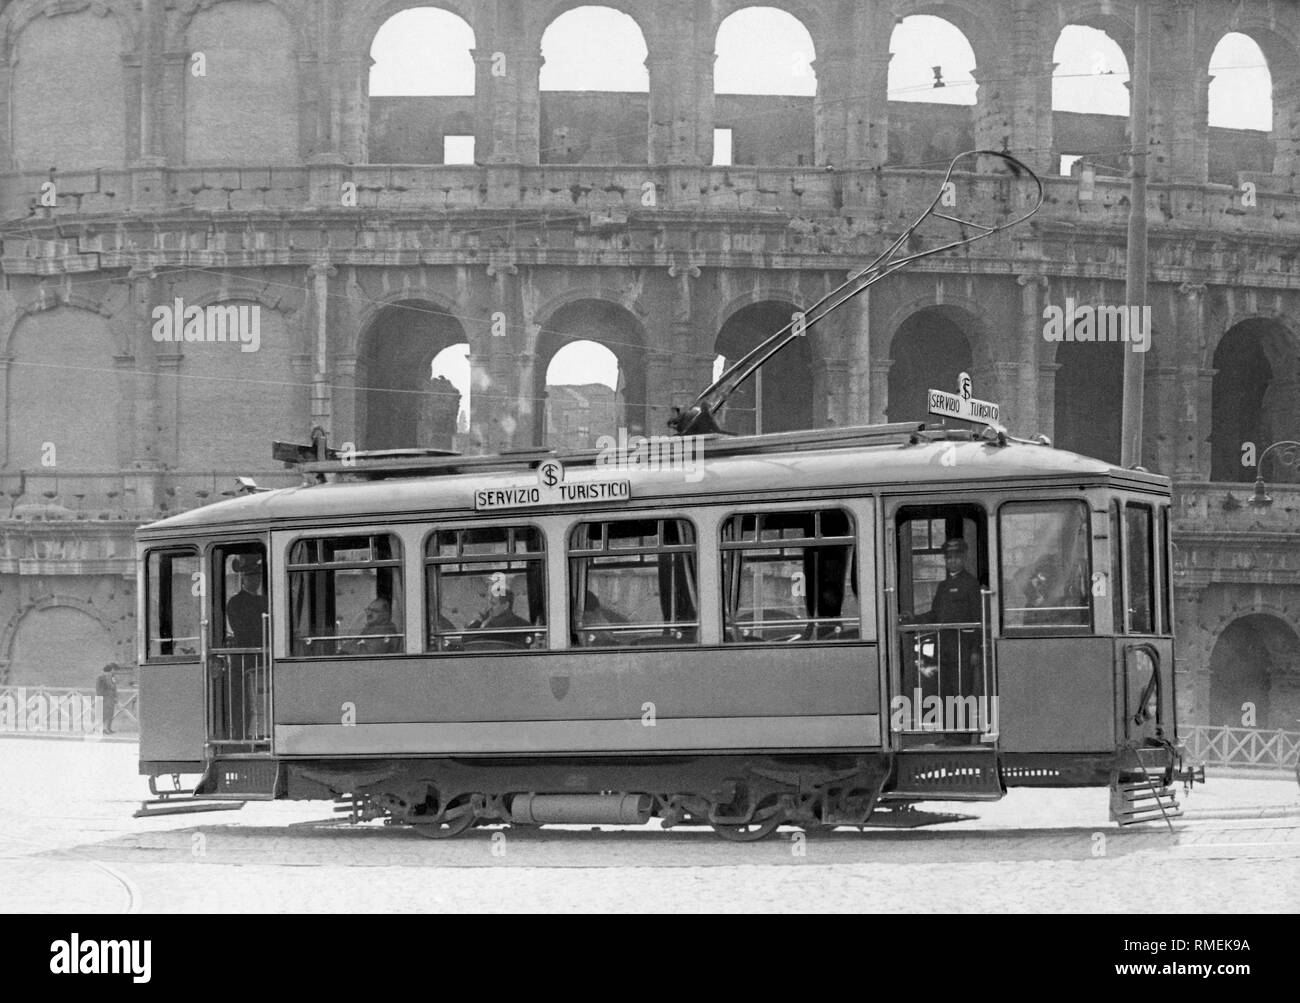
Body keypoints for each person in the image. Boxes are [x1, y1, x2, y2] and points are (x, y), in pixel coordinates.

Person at [903, 538, 984, 702]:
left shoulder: (971, 584)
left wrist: (976, 649)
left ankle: (964, 726)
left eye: (957, 557)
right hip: (944, 648)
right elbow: (935, 614)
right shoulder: (943, 586)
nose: (953, 561)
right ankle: (951, 725)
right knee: (946, 691)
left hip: (963, 648)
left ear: (964, 558)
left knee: (962, 691)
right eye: (949, 558)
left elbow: (978, 617)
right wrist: (914, 619)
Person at [220, 553, 266, 741]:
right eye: (249, 576)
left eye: (256, 576)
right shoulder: (235, 603)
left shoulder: (265, 601)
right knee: (245, 701)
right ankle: (243, 735)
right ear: (243, 579)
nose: (254, 580)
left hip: (261, 658)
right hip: (245, 660)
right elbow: (241, 630)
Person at [466, 587, 532, 647]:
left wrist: (480, 620)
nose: (490, 608)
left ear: (506, 605)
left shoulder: (492, 627)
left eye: (493, 604)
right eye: (490, 604)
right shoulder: (525, 625)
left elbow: (466, 638)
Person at [95, 663, 118, 734]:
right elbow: (98, 689)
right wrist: (101, 697)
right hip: (104, 698)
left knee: (110, 714)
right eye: (113, 670)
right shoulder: (100, 677)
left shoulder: (112, 677)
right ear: (110, 670)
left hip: (111, 698)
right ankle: (102, 729)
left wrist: (115, 697)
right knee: (104, 714)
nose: (114, 672)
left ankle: (108, 728)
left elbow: (114, 688)